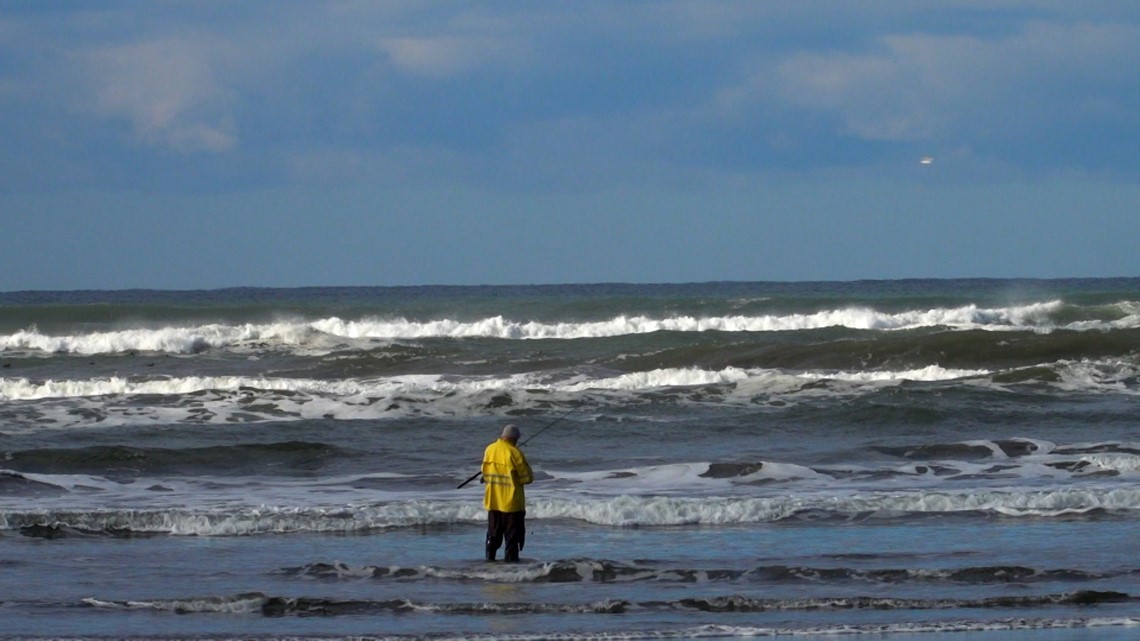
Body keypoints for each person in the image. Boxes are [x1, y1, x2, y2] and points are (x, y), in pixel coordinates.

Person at [481, 424, 533, 562]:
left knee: (492, 537)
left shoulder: (489, 449)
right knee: (512, 540)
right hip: (512, 504)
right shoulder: (515, 453)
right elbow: (527, 478)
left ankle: (488, 563)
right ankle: (511, 571)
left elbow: (485, 473)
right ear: (515, 439)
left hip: (493, 501)